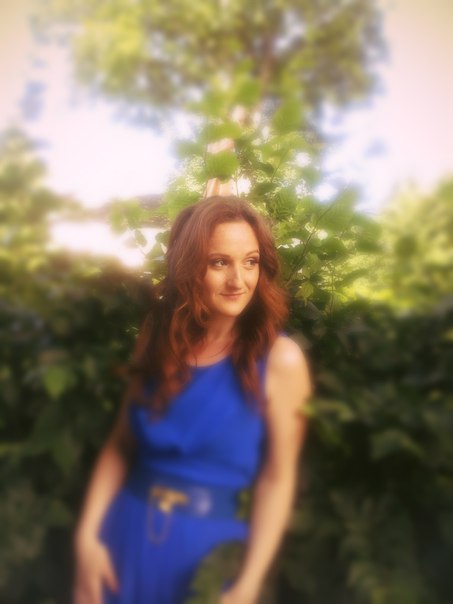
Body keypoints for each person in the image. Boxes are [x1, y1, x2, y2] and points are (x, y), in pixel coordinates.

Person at [74, 195, 311, 604]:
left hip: (207, 560)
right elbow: (120, 444)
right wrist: (87, 538)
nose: (238, 280)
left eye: (250, 262)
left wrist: (249, 583)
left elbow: (278, 478)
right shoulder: (158, 337)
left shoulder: (281, 360)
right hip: (122, 539)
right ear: (188, 267)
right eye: (219, 262)